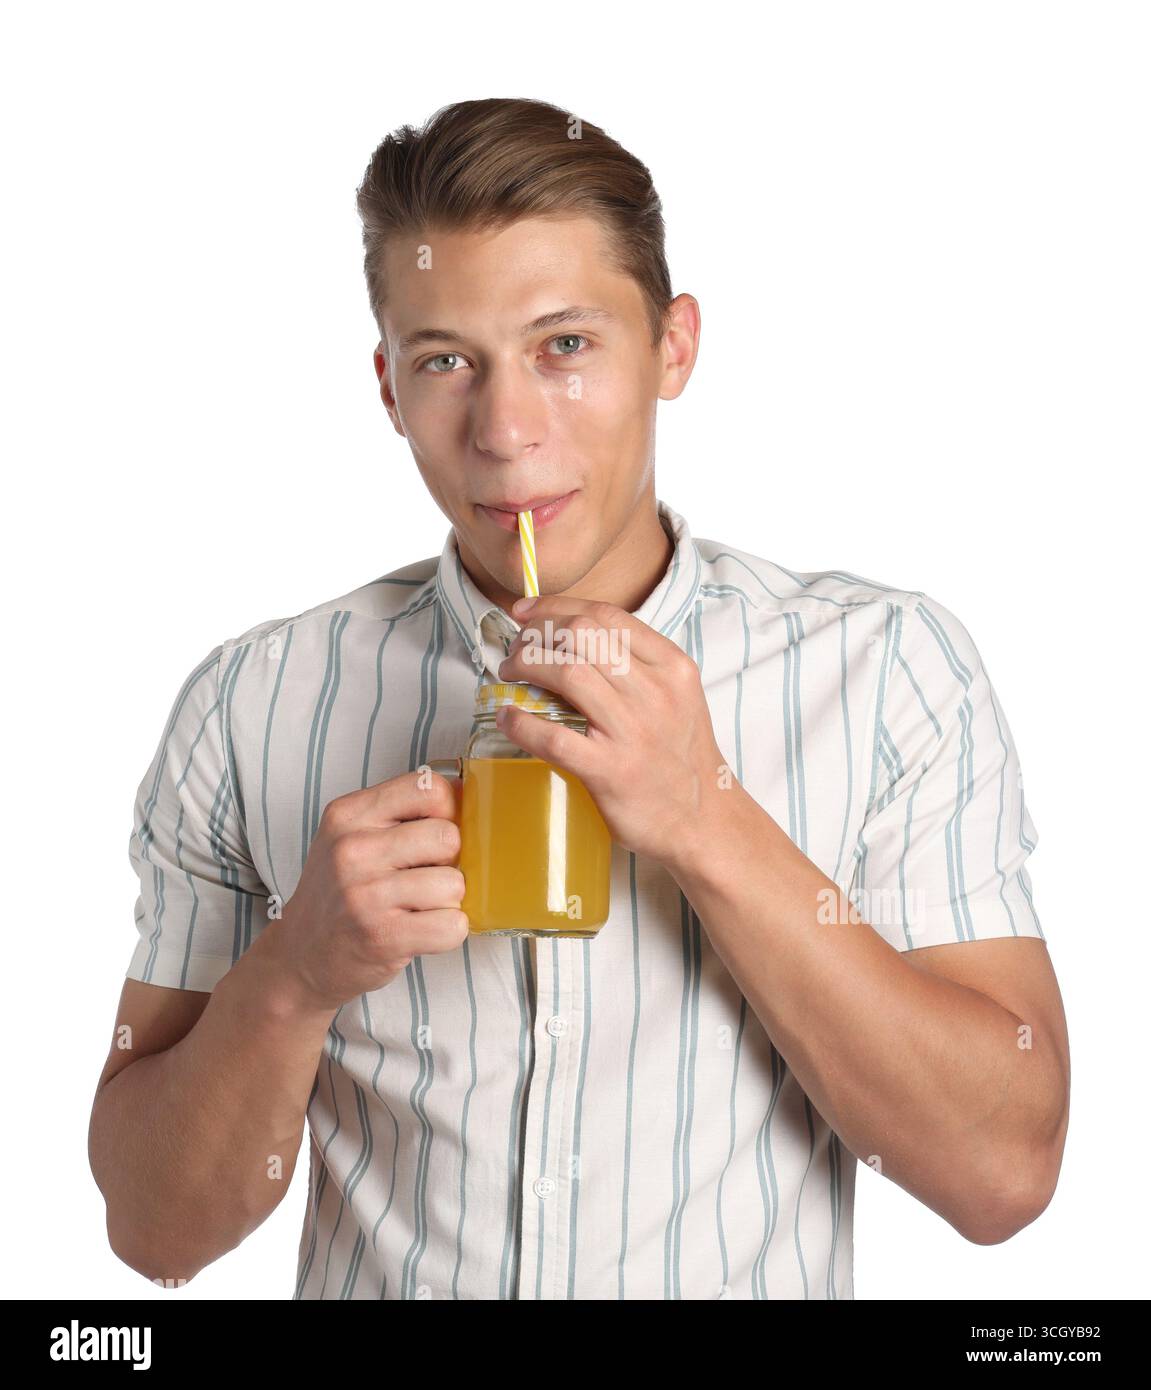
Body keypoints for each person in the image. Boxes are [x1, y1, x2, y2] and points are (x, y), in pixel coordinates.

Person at [88, 96, 1069, 1300]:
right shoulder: (253, 702)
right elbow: (151, 1229)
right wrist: (292, 975)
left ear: (672, 348)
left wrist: (703, 815)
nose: (504, 431)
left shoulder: (886, 672)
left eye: (564, 346)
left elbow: (1003, 1173)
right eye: (446, 359)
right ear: (389, 388)